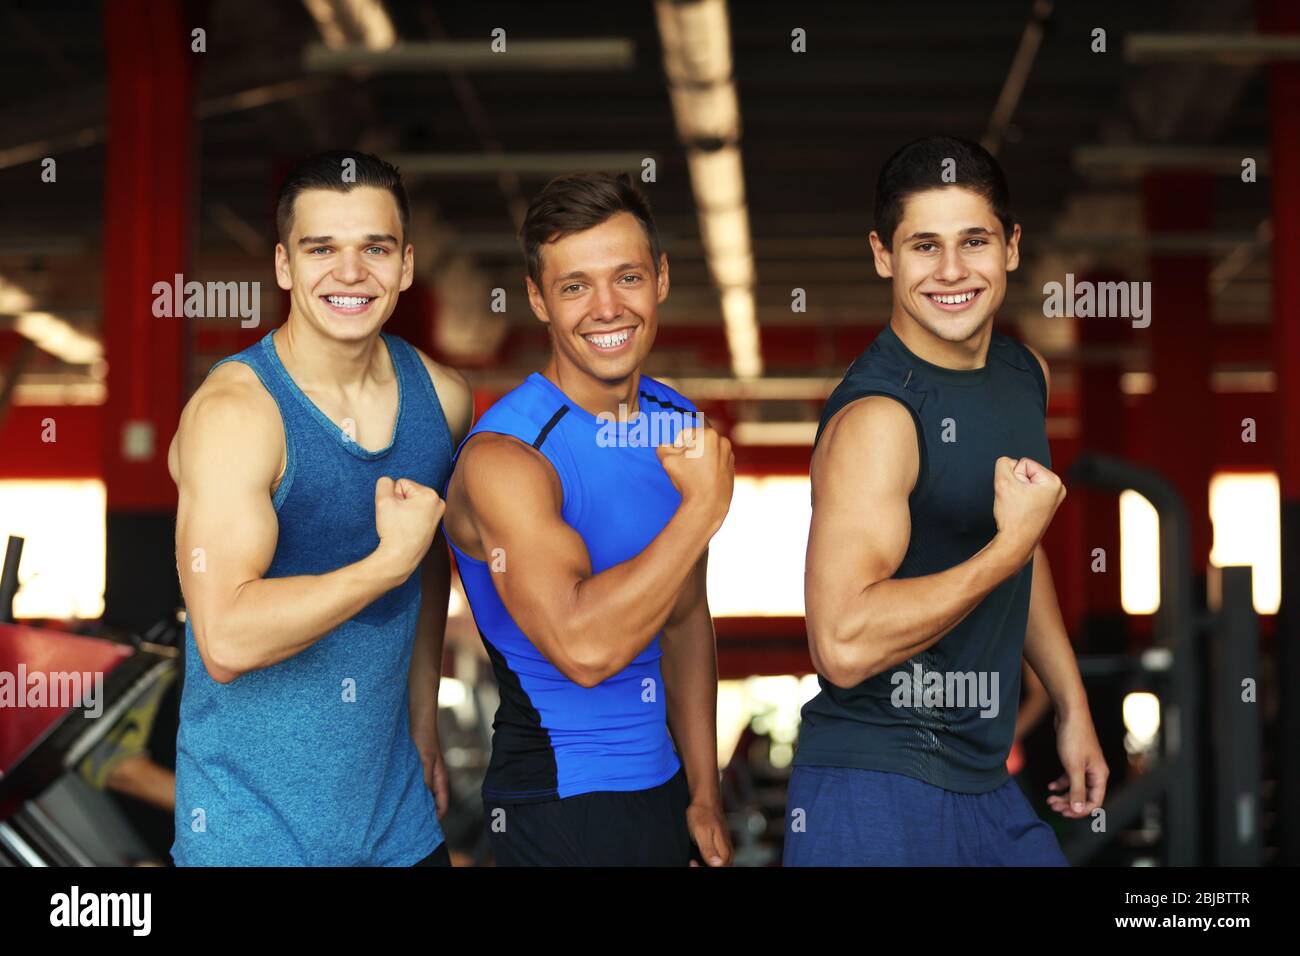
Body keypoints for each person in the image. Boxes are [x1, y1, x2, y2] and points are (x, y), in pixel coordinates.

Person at [787, 135, 1108, 866]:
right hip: (873, 785)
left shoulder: (1023, 374)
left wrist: (1072, 704)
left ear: (1012, 247)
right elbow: (840, 646)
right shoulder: (878, 420)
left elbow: (1020, 558)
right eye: (924, 246)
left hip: (985, 781)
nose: (953, 270)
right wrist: (1004, 551)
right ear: (883, 255)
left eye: (975, 241)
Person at [168, 151, 473, 866]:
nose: (349, 272)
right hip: (252, 840)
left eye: (375, 247)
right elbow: (227, 640)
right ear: (284, 265)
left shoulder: (442, 400)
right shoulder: (237, 415)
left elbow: (427, 568)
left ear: (405, 266)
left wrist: (422, 720)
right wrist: (383, 563)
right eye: (321, 249)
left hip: (399, 830)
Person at [442, 172, 734, 866]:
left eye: (627, 277)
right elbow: (583, 651)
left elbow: (688, 615)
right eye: (575, 286)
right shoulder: (507, 457)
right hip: (555, 804)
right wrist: (700, 511)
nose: (607, 308)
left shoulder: (675, 425)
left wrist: (703, 791)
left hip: (662, 793)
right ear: (539, 299)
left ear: (660, 278)